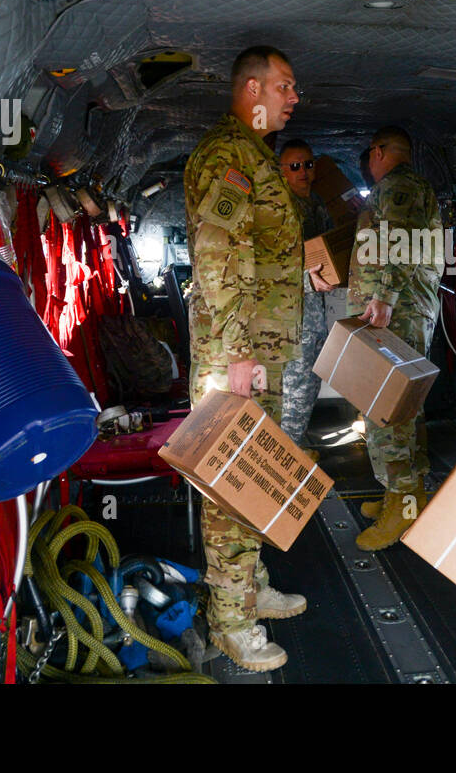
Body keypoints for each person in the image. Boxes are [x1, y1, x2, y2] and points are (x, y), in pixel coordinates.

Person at [182, 45, 307, 671]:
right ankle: (231, 621)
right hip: (238, 356)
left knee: (253, 474)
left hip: (261, 352)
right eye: (284, 86)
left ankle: (250, 587)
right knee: (231, 484)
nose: (293, 98)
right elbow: (218, 256)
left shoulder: (254, 158)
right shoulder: (228, 157)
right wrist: (235, 354)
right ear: (251, 88)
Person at [347, 126, 445, 550]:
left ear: (380, 152)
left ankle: (402, 502)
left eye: (370, 156)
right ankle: (404, 494)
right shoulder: (402, 187)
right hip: (399, 313)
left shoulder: (399, 186)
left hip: (397, 314)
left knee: (387, 409)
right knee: (402, 408)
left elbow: (401, 243)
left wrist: (384, 298)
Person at [278, 138, 337, 446]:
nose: (303, 172)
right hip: (289, 321)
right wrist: (306, 280)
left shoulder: (315, 204)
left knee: (309, 388)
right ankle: (283, 459)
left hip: (314, 316)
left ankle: (291, 452)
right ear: (281, 172)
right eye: (295, 166)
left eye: (308, 165)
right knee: (293, 396)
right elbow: (269, 267)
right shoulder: (278, 209)